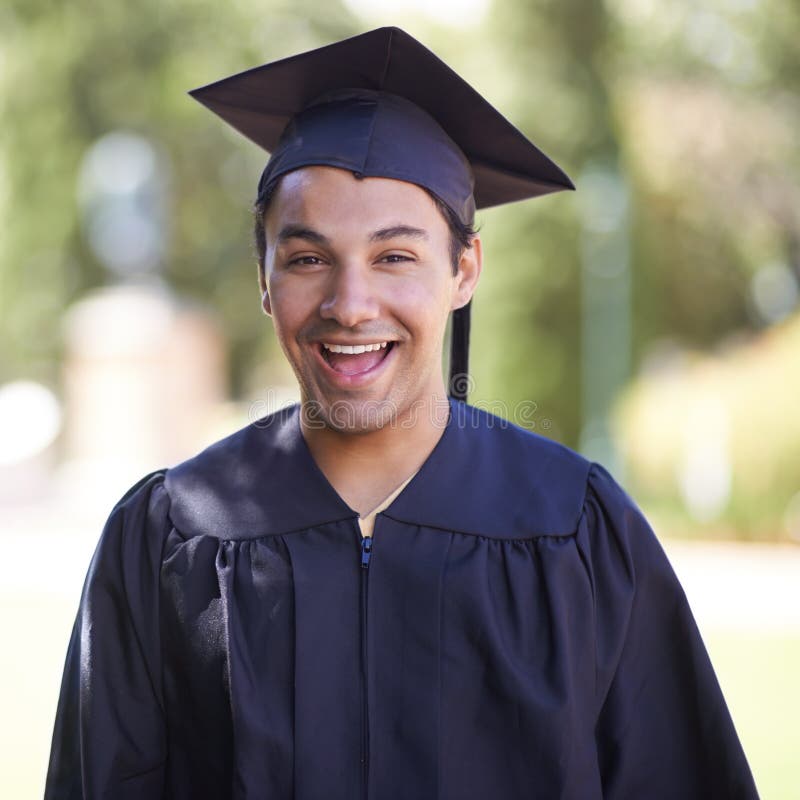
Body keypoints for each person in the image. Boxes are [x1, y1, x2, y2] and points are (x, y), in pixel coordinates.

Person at [45, 27, 759, 800]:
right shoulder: (170, 538)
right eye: (308, 258)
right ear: (263, 276)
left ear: (464, 270)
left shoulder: (576, 533)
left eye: (395, 256)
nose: (351, 306)